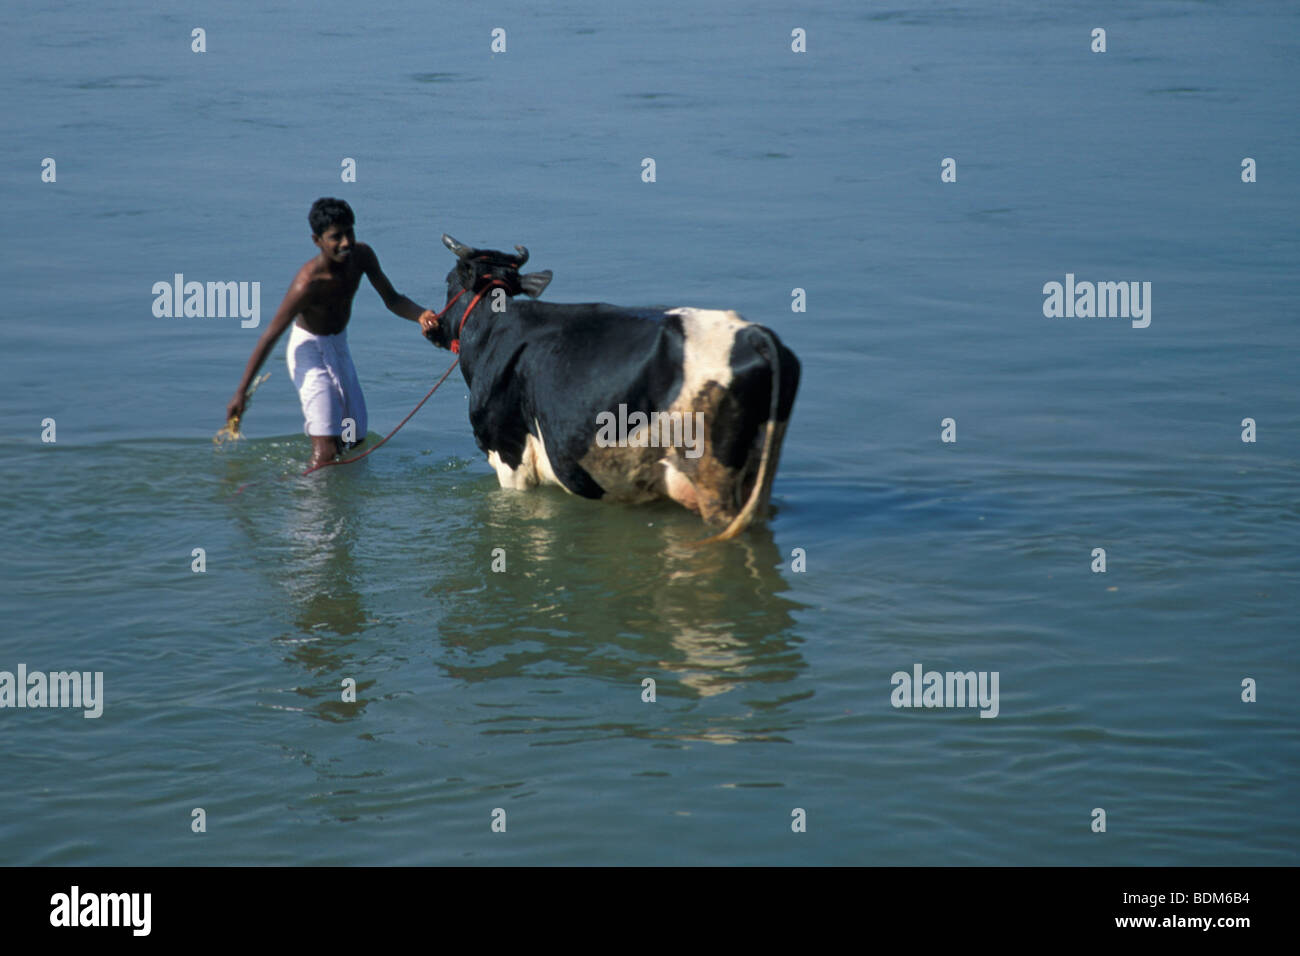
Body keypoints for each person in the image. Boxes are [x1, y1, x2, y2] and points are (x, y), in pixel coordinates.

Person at [225, 198, 442, 469]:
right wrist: (241, 393)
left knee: (353, 439)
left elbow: (393, 299)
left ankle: (343, 504)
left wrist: (421, 315)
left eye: (349, 232)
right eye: (335, 237)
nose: (345, 243)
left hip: (339, 345)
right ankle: (307, 499)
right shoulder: (308, 283)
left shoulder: (362, 257)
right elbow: (270, 335)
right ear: (317, 240)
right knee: (326, 451)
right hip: (308, 351)